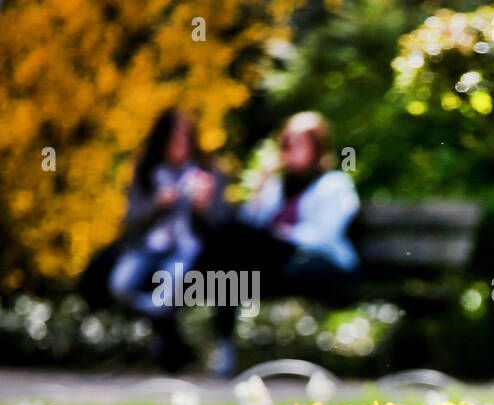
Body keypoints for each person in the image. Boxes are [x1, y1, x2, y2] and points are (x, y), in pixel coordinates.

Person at [197, 111, 360, 377]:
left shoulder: (334, 184)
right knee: (231, 266)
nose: (290, 150)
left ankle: (193, 278)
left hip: (319, 264)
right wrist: (260, 185)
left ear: (317, 148)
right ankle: (224, 344)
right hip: (278, 265)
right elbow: (250, 223)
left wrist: (283, 235)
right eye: (286, 143)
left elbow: (325, 235)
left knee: (229, 242)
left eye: (298, 144)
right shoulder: (276, 185)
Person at [106, 109, 228, 371]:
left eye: (185, 139)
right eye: (174, 140)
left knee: (166, 294)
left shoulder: (206, 172)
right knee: (120, 285)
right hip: (146, 247)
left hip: (185, 251)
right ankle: (172, 340)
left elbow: (222, 224)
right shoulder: (146, 170)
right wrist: (156, 204)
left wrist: (202, 207)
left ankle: (171, 345)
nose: (180, 146)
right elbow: (129, 220)